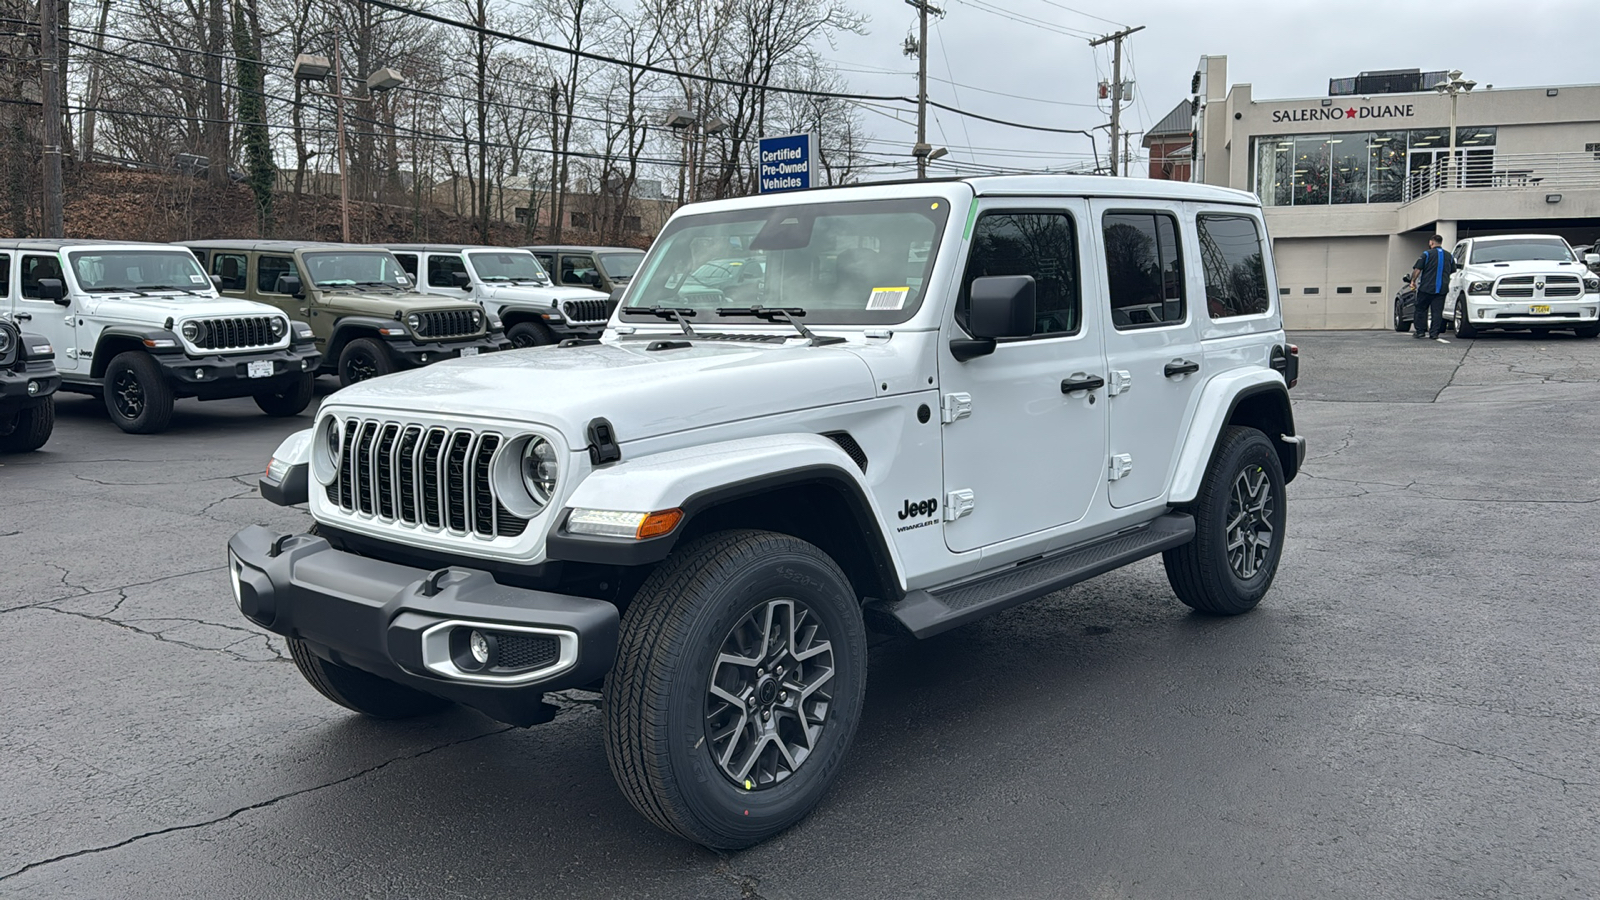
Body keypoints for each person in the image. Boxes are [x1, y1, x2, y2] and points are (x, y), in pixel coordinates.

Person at [1410, 235, 1455, 341]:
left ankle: (1420, 331)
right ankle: (1434, 333)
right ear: (1441, 242)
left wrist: (1413, 281)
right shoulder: (1449, 256)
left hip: (1426, 287)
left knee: (1420, 309)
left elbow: (1418, 269)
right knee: (1437, 312)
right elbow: (1453, 270)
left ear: (1431, 242)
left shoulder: (1426, 254)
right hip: (1442, 289)